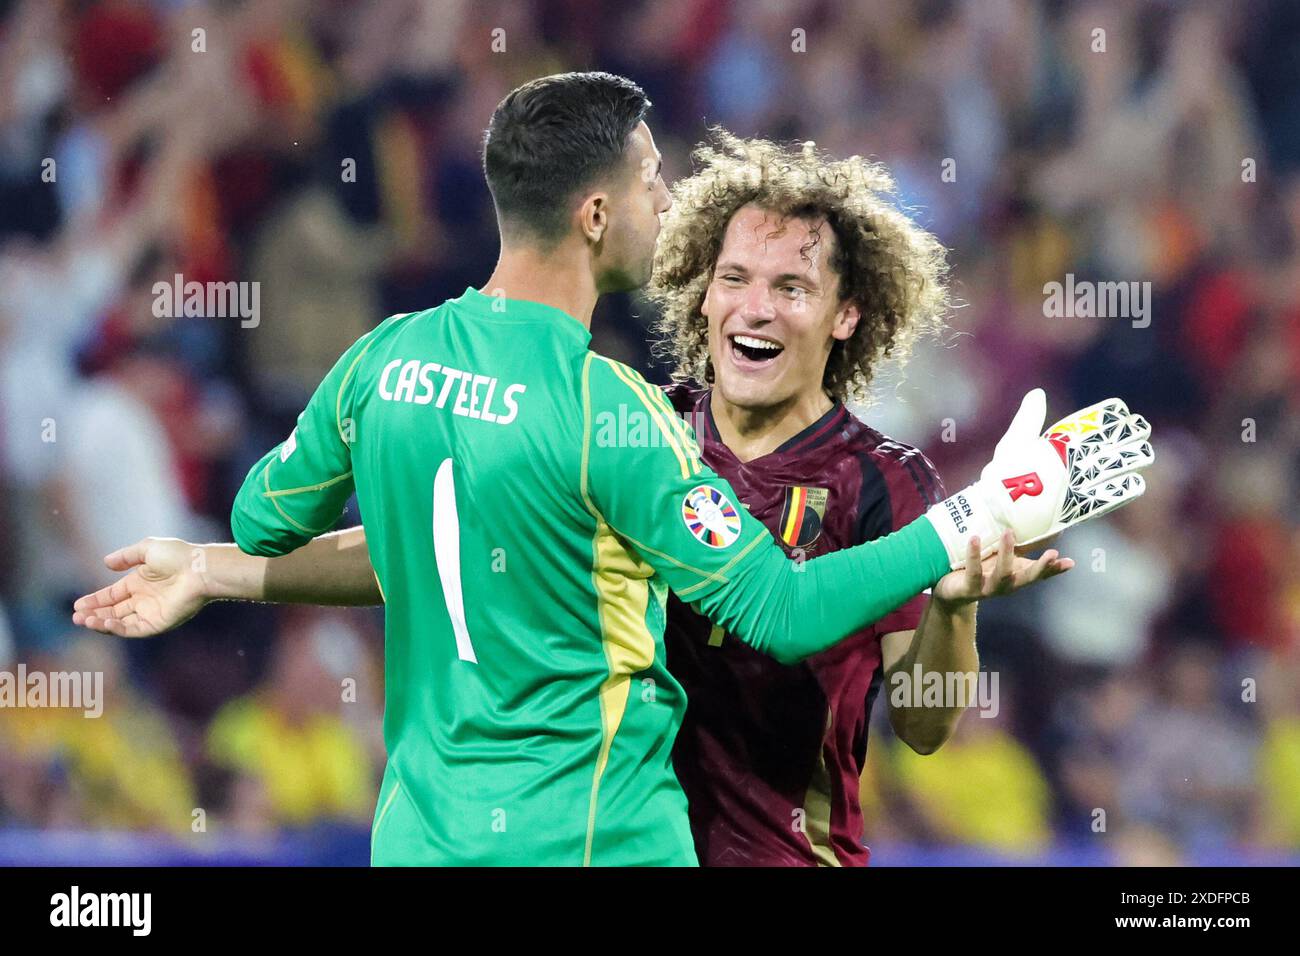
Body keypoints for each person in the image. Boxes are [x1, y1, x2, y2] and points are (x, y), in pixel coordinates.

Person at [71, 73, 1151, 865]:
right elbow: (759, 604)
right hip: (601, 839)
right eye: (730, 272)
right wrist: (982, 513)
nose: (751, 300)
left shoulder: (386, 355)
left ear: (845, 311)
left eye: (788, 285)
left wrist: (955, 605)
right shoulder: (631, 417)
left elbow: (924, 722)